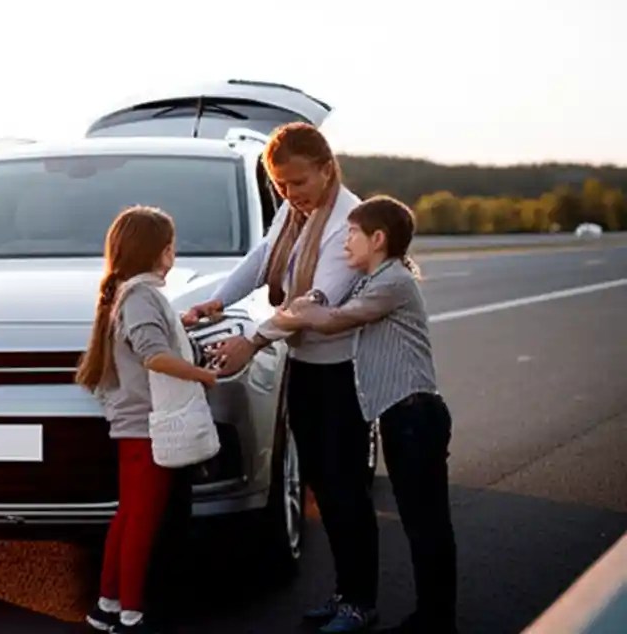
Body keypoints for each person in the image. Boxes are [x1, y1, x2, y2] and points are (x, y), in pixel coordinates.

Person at [189, 122, 376, 633]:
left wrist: (252, 340)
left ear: (327, 169)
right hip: (308, 368)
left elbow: (316, 302)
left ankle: (360, 603)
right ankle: (345, 595)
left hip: (344, 371)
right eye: (279, 185)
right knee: (321, 483)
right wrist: (217, 302)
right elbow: (262, 260)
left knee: (345, 490)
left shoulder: (347, 223)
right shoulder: (297, 215)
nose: (288, 194)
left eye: (297, 182)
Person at [270, 196, 458, 634]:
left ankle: (436, 620)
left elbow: (335, 320)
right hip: (398, 417)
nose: (345, 241)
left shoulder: (391, 282)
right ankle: (427, 617)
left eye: (353, 233)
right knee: (419, 523)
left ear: (379, 239)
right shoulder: (371, 278)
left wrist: (298, 311)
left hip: (416, 416)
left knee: (426, 525)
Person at [77, 205, 219, 634]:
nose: (174, 253)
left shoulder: (132, 293)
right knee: (142, 519)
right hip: (146, 427)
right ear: (160, 253)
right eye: (171, 246)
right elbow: (153, 354)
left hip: (135, 425)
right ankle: (132, 614)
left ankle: (108, 603)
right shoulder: (141, 296)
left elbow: (152, 335)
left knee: (128, 515)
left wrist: (186, 319)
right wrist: (203, 375)